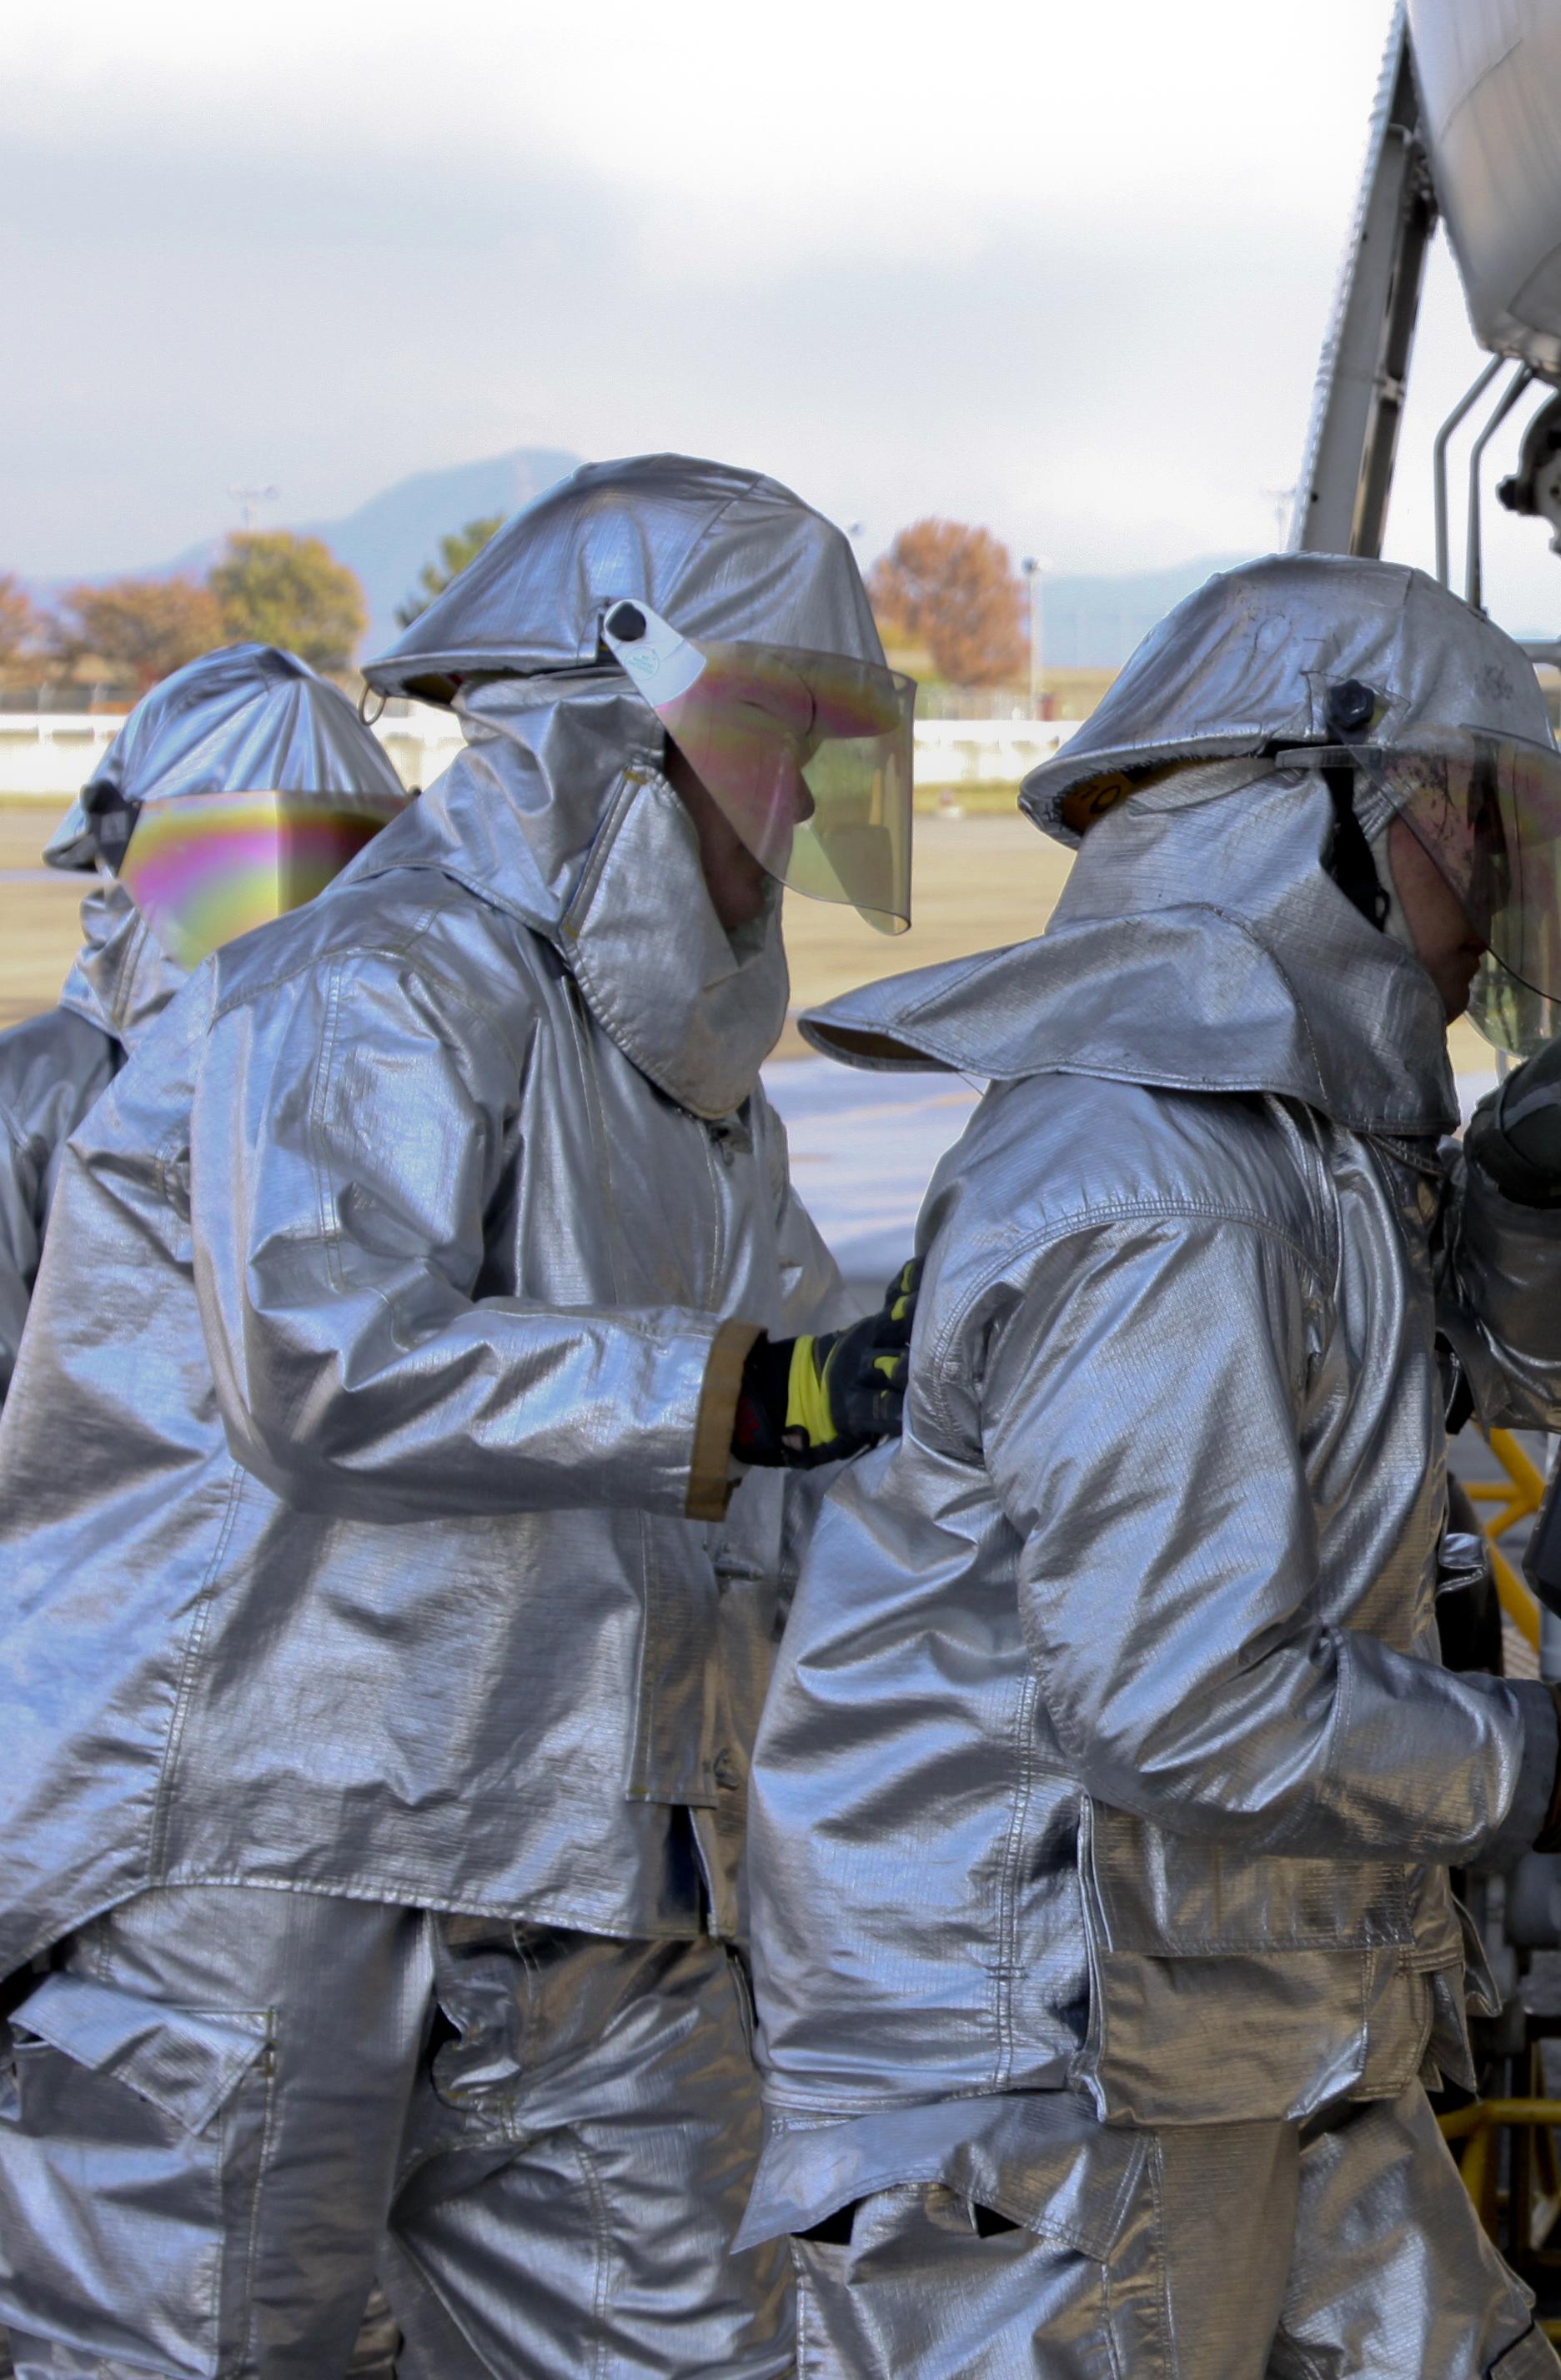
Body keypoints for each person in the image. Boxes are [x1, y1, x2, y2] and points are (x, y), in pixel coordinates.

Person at [737, 555, 1561, 2380]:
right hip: (1044, 2077)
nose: (1497, 902)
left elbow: (1522, 1384)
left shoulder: (1295, 1153)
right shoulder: (1157, 1188)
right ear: (1328, 810)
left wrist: (1536, 1213)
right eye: (1477, 828)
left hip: (1234, 2012)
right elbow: (1181, 1707)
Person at [0, 456, 917, 2380]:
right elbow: (327, 1362)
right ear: (625, 713)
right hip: (253, 1856)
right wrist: (751, 1392)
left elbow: (855, 1438)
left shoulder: (693, 1101)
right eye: (781, 735)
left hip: (588, 1866)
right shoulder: (364, 979)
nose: (806, 797)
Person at [0, 642, 410, 1396]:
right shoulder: (31, 1096)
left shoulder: (430, 1085)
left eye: (335, 859)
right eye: (224, 868)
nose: (279, 907)